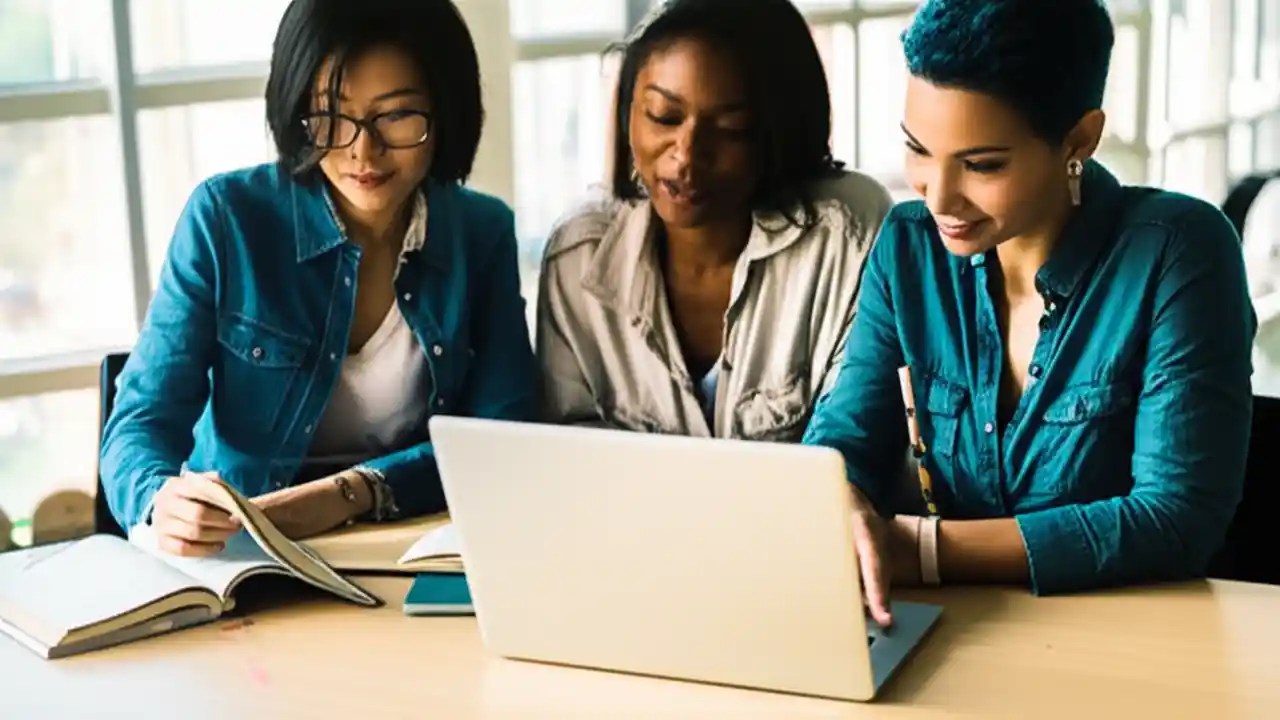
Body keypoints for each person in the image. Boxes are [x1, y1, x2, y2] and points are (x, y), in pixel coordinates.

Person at [804, 0, 1256, 625]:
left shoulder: (1178, 252)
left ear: (1079, 140)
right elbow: (841, 442)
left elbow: (1175, 519)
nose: (937, 194)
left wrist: (927, 550)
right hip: (953, 629)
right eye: (919, 149)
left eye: (982, 164)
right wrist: (842, 503)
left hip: (1133, 640)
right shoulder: (907, 247)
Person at [100, 0, 538, 556]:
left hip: (404, 549)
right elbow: (139, 424)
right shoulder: (227, 218)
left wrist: (350, 493)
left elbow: (502, 439)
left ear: (445, 111)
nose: (362, 149)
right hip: (242, 556)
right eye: (330, 114)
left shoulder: (481, 234)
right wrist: (159, 499)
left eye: (397, 115)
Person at [537, 0, 891, 440]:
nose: (686, 156)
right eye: (664, 117)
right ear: (628, 110)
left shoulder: (848, 236)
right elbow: (567, 449)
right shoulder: (578, 253)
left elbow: (858, 444)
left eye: (731, 129)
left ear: (780, 131)